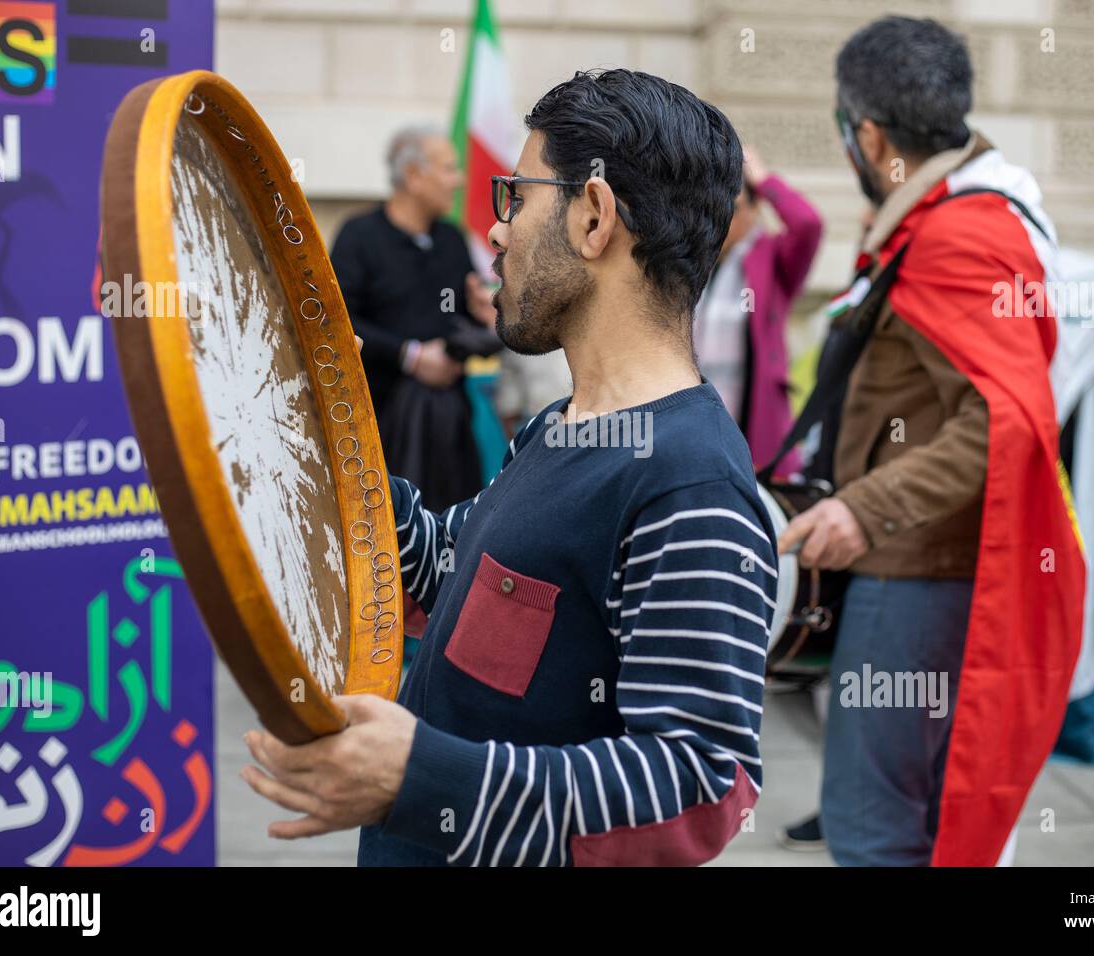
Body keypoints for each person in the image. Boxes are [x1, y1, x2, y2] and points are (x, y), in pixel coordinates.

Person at [240, 69, 777, 867]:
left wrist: (420, 775)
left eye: (516, 197)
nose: (494, 232)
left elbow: (700, 787)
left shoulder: (688, 483)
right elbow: (435, 574)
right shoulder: (561, 428)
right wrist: (328, 434)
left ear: (594, 217)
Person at [777, 16, 1084, 865]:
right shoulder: (956, 214)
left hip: (916, 572)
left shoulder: (957, 234)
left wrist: (865, 510)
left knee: (873, 831)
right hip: (918, 567)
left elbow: (1008, 418)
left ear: (869, 136)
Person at [330, 126, 498, 511]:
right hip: (378, 429)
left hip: (449, 430)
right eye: (448, 168)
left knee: (455, 529)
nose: (458, 181)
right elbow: (336, 320)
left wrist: (485, 318)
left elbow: (462, 320)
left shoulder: (451, 240)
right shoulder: (359, 237)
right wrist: (412, 357)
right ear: (413, 176)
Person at [692, 145, 823, 475]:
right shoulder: (696, 264)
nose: (722, 221)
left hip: (755, 431)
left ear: (753, 208)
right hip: (700, 425)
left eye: (733, 209)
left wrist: (763, 179)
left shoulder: (771, 257)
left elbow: (808, 223)